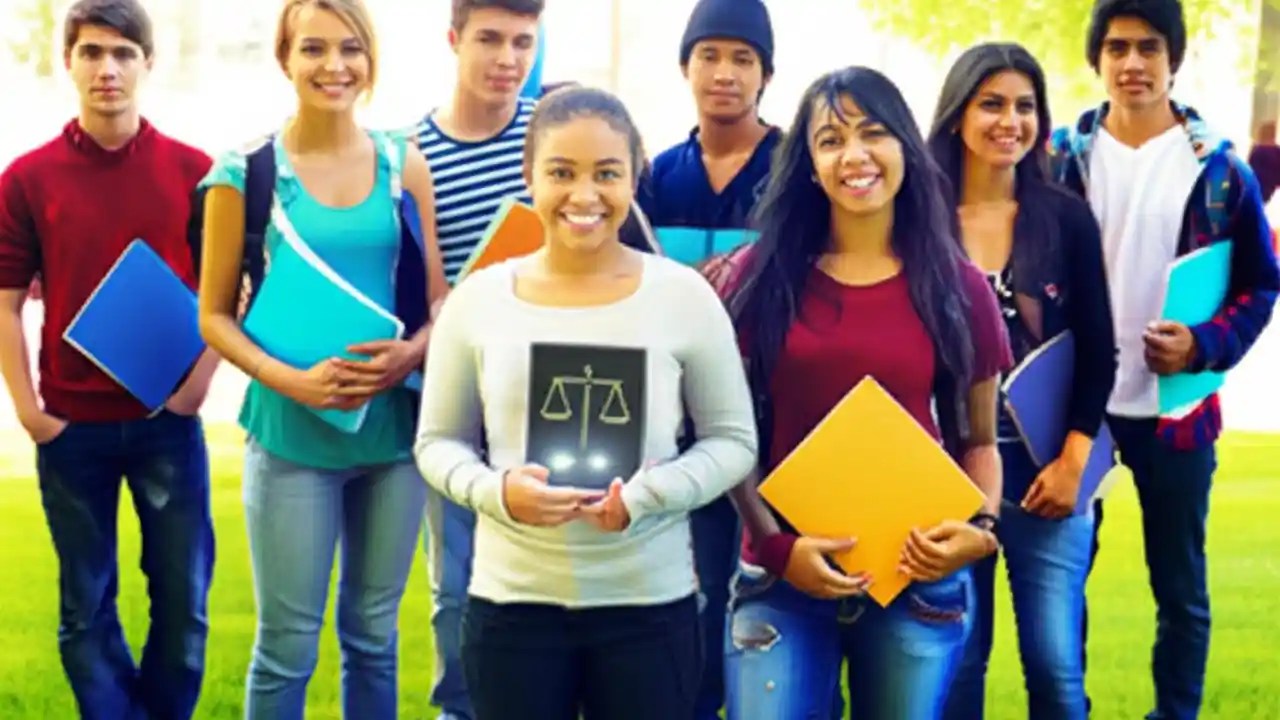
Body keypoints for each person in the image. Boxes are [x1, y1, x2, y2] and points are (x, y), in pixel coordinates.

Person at [413, 85, 758, 720]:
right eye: (561, 173)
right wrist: (497, 492)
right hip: (512, 607)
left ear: (634, 178)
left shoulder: (682, 297)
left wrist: (652, 495)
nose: (585, 195)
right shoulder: (480, 299)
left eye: (607, 174)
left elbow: (733, 441)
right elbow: (436, 443)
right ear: (529, 176)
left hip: (649, 608)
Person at [717, 66, 1013, 720]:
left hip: (914, 575)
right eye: (830, 139)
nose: (854, 155)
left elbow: (982, 441)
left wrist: (981, 529)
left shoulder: (959, 288)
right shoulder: (758, 280)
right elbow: (728, 439)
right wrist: (777, 548)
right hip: (781, 577)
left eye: (873, 133)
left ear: (905, 147)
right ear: (809, 165)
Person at [196, 0, 446, 717]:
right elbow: (213, 315)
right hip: (291, 441)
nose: (334, 66)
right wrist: (293, 383)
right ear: (285, 59)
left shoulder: (406, 165)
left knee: (373, 636)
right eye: (313, 49)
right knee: (288, 645)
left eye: (350, 49)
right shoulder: (244, 174)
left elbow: (437, 301)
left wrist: (410, 356)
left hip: (391, 439)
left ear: (371, 60)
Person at [1050, 1, 1280, 718]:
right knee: (1061, 583)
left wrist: (1204, 344)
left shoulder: (1218, 168)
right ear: (1097, 59)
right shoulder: (1059, 157)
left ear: (1172, 58)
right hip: (1073, 409)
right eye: (1117, 47)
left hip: (1175, 409)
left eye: (1149, 47)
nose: (1133, 63)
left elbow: (1262, 280)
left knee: (1180, 589)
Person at [0, 1, 218, 718]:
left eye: (124, 53)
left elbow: (228, 298)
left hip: (166, 423)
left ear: (148, 65)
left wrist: (194, 392)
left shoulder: (196, 172)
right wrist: (31, 412)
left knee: (183, 605)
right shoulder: (27, 178)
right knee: (87, 607)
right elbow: (4, 303)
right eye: (92, 52)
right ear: (69, 63)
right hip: (71, 429)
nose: (108, 68)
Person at [927, 43, 1117, 720]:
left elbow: (1099, 349)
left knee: (1054, 665)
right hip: (948, 468)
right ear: (957, 115)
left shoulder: (1063, 215)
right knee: (957, 661)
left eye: (1025, 106)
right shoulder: (918, 217)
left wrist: (1073, 462)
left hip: (1047, 465)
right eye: (992, 103)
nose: (1011, 120)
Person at [634, 3, 780, 714]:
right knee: (688, 611)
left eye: (743, 59)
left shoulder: (796, 174)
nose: (725, 74)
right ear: (686, 67)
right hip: (674, 433)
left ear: (767, 74)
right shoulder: (653, 176)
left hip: (775, 427)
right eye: (710, 55)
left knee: (761, 607)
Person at [412, 2, 544, 717]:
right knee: (454, 585)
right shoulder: (409, 153)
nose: (507, 59)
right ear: (454, 39)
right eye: (490, 39)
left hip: (553, 391)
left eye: (523, 42)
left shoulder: (554, 136)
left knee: (553, 584)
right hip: (458, 397)